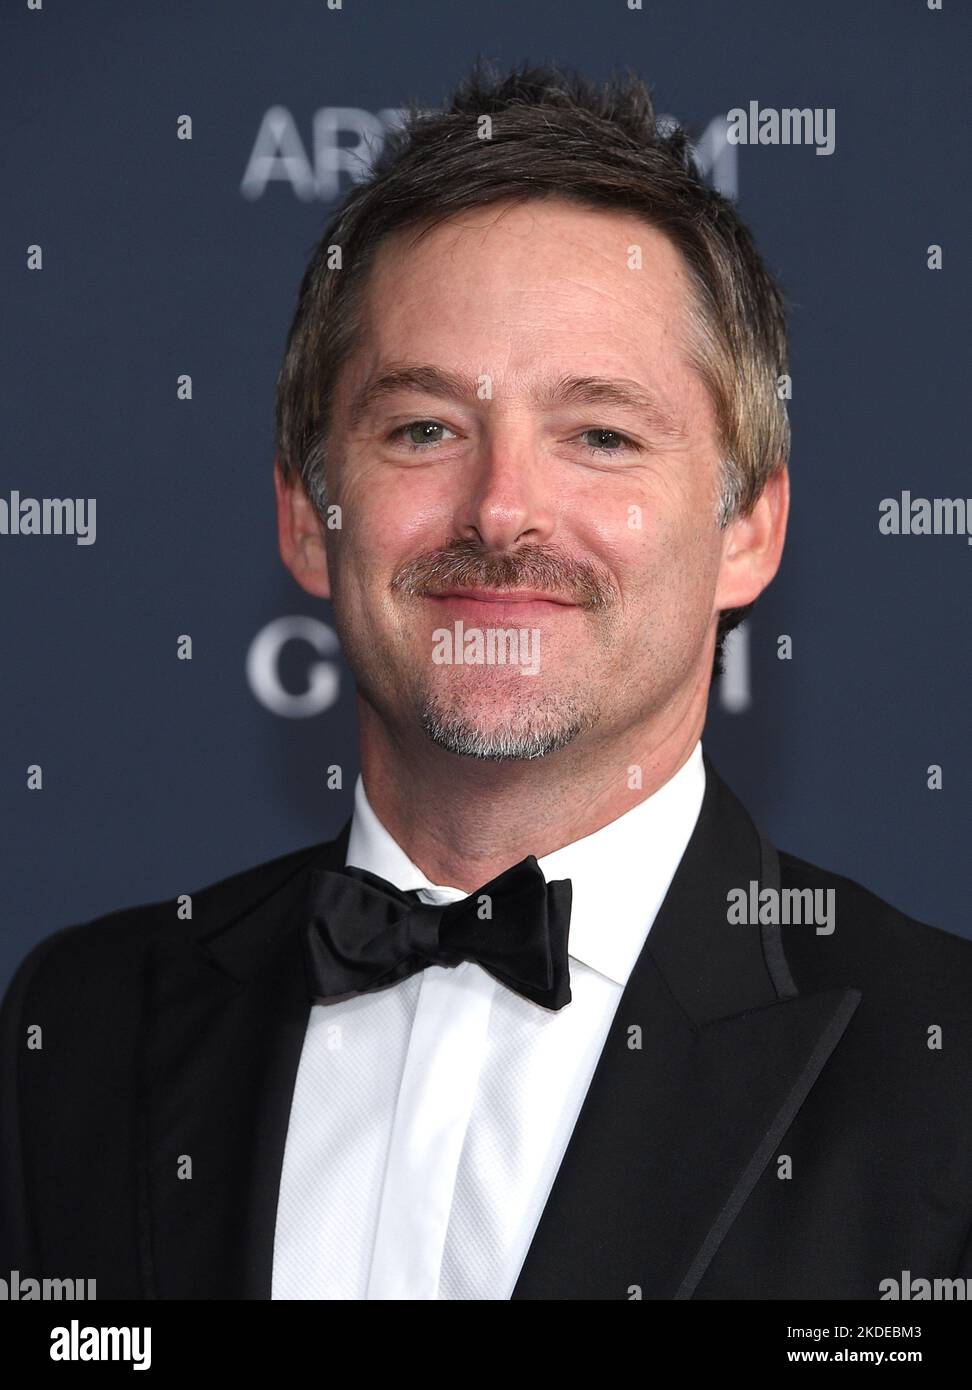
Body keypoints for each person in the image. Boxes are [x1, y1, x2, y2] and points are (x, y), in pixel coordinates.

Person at [3, 59, 971, 1302]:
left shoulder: (943, 1076)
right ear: (308, 516)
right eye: (422, 429)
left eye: (601, 435)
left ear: (749, 531)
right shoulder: (75, 1030)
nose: (504, 509)